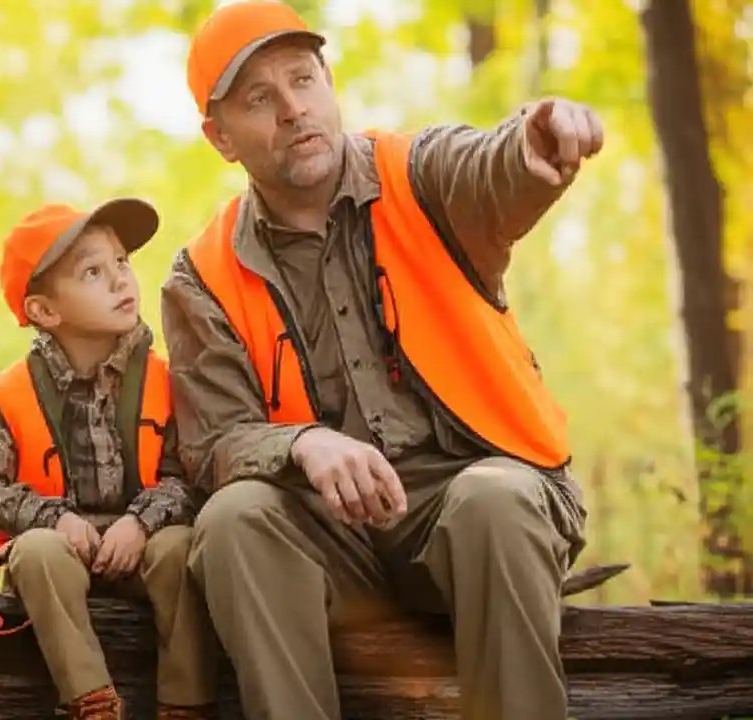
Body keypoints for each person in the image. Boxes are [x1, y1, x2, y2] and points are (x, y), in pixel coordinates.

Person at [160, 2, 601, 719]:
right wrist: (304, 443)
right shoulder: (199, 276)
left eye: (303, 79)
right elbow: (214, 442)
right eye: (259, 100)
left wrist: (532, 147)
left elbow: (491, 171)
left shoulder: (420, 174)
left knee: (492, 500)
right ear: (221, 139)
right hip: (339, 549)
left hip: (480, 511)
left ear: (329, 82)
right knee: (235, 517)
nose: (294, 110)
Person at [0, 198, 217, 720]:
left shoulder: (170, 380)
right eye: (93, 272)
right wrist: (54, 517)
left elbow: (190, 472)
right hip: (62, 550)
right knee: (35, 553)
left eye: (122, 262)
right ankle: (91, 701)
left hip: (143, 544)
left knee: (181, 546)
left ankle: (187, 703)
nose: (122, 281)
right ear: (45, 311)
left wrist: (140, 523)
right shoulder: (6, 395)